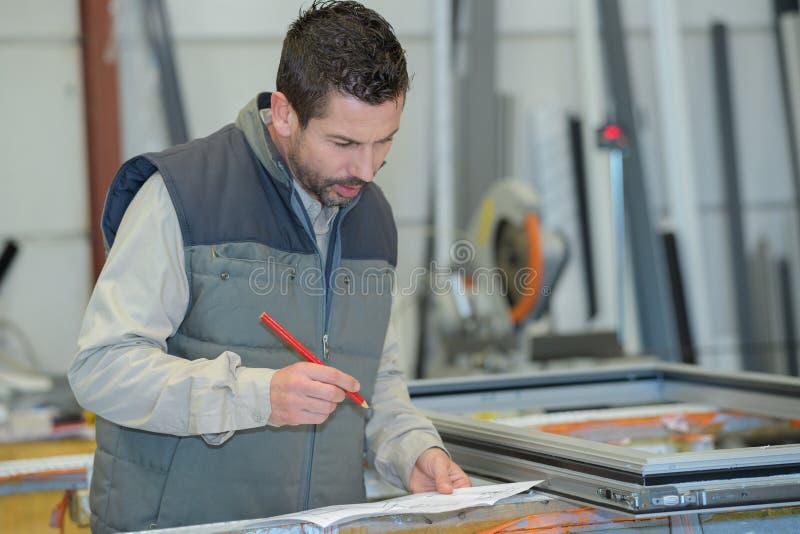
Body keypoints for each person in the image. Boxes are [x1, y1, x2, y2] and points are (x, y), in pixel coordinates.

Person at [68, 1, 470, 532]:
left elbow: (376, 380)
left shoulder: (371, 216)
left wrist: (413, 450)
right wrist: (256, 397)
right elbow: (102, 368)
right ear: (284, 113)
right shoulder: (182, 194)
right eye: (344, 143)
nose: (367, 168)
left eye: (384, 141)